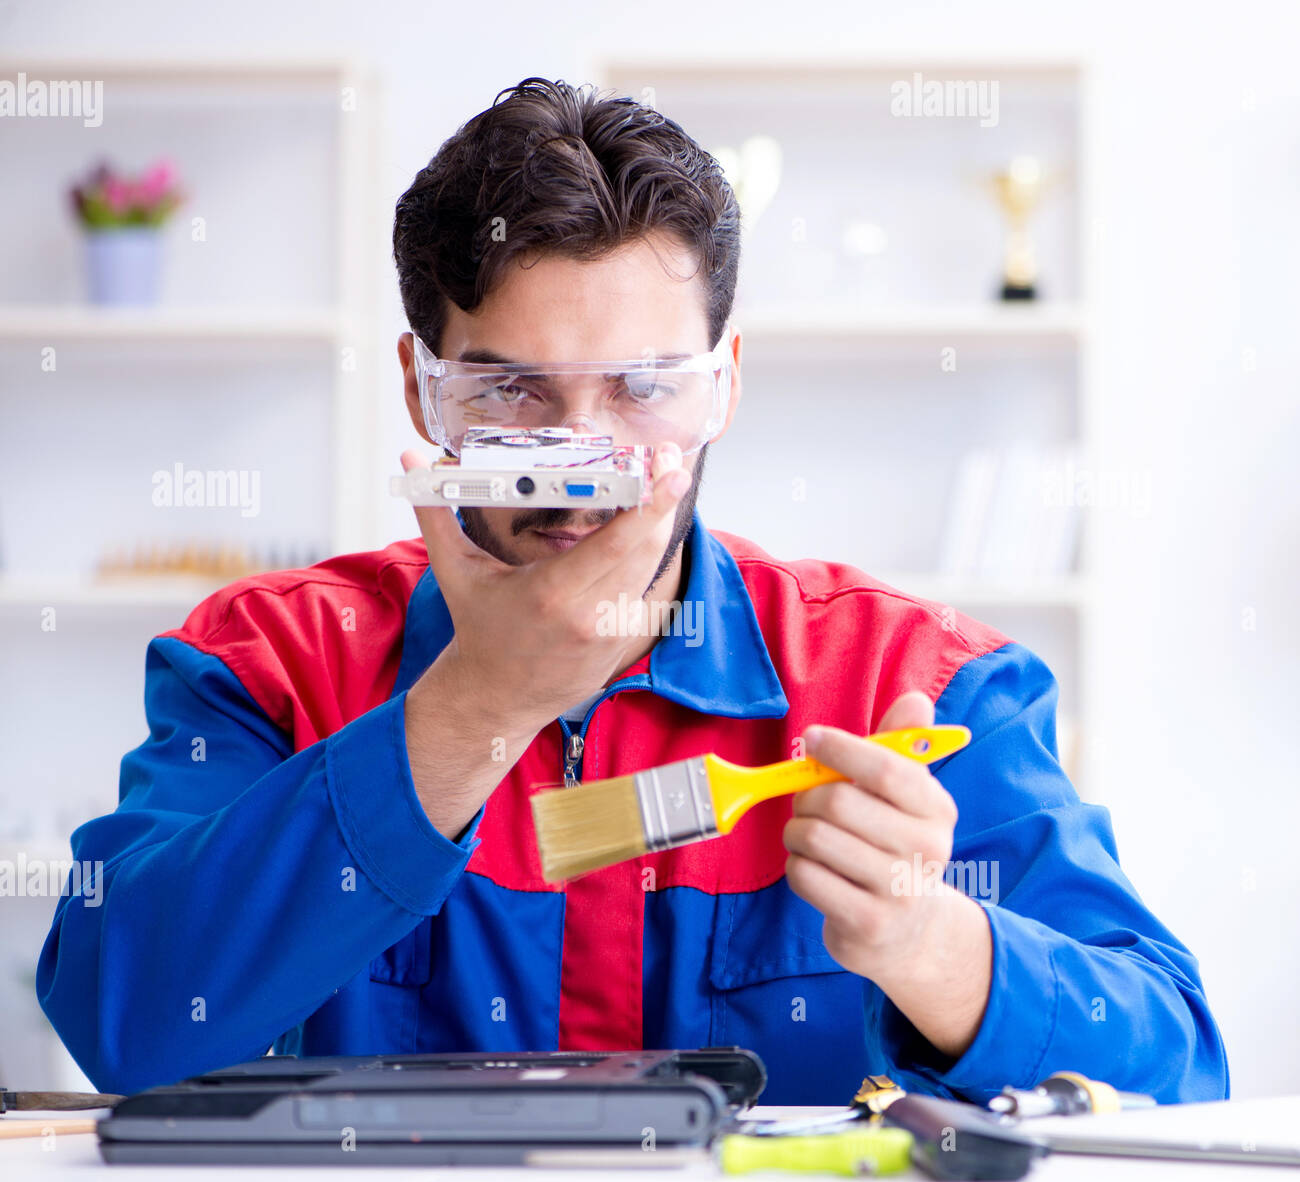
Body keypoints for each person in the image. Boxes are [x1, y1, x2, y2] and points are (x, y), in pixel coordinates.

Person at [38, 77, 1228, 1105]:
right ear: (420, 389)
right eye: (511, 392)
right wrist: (474, 707)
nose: (583, 460)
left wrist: (933, 945)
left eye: (643, 389)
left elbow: (1178, 1071)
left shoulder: (906, 680)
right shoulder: (266, 661)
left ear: (723, 386)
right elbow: (124, 1022)